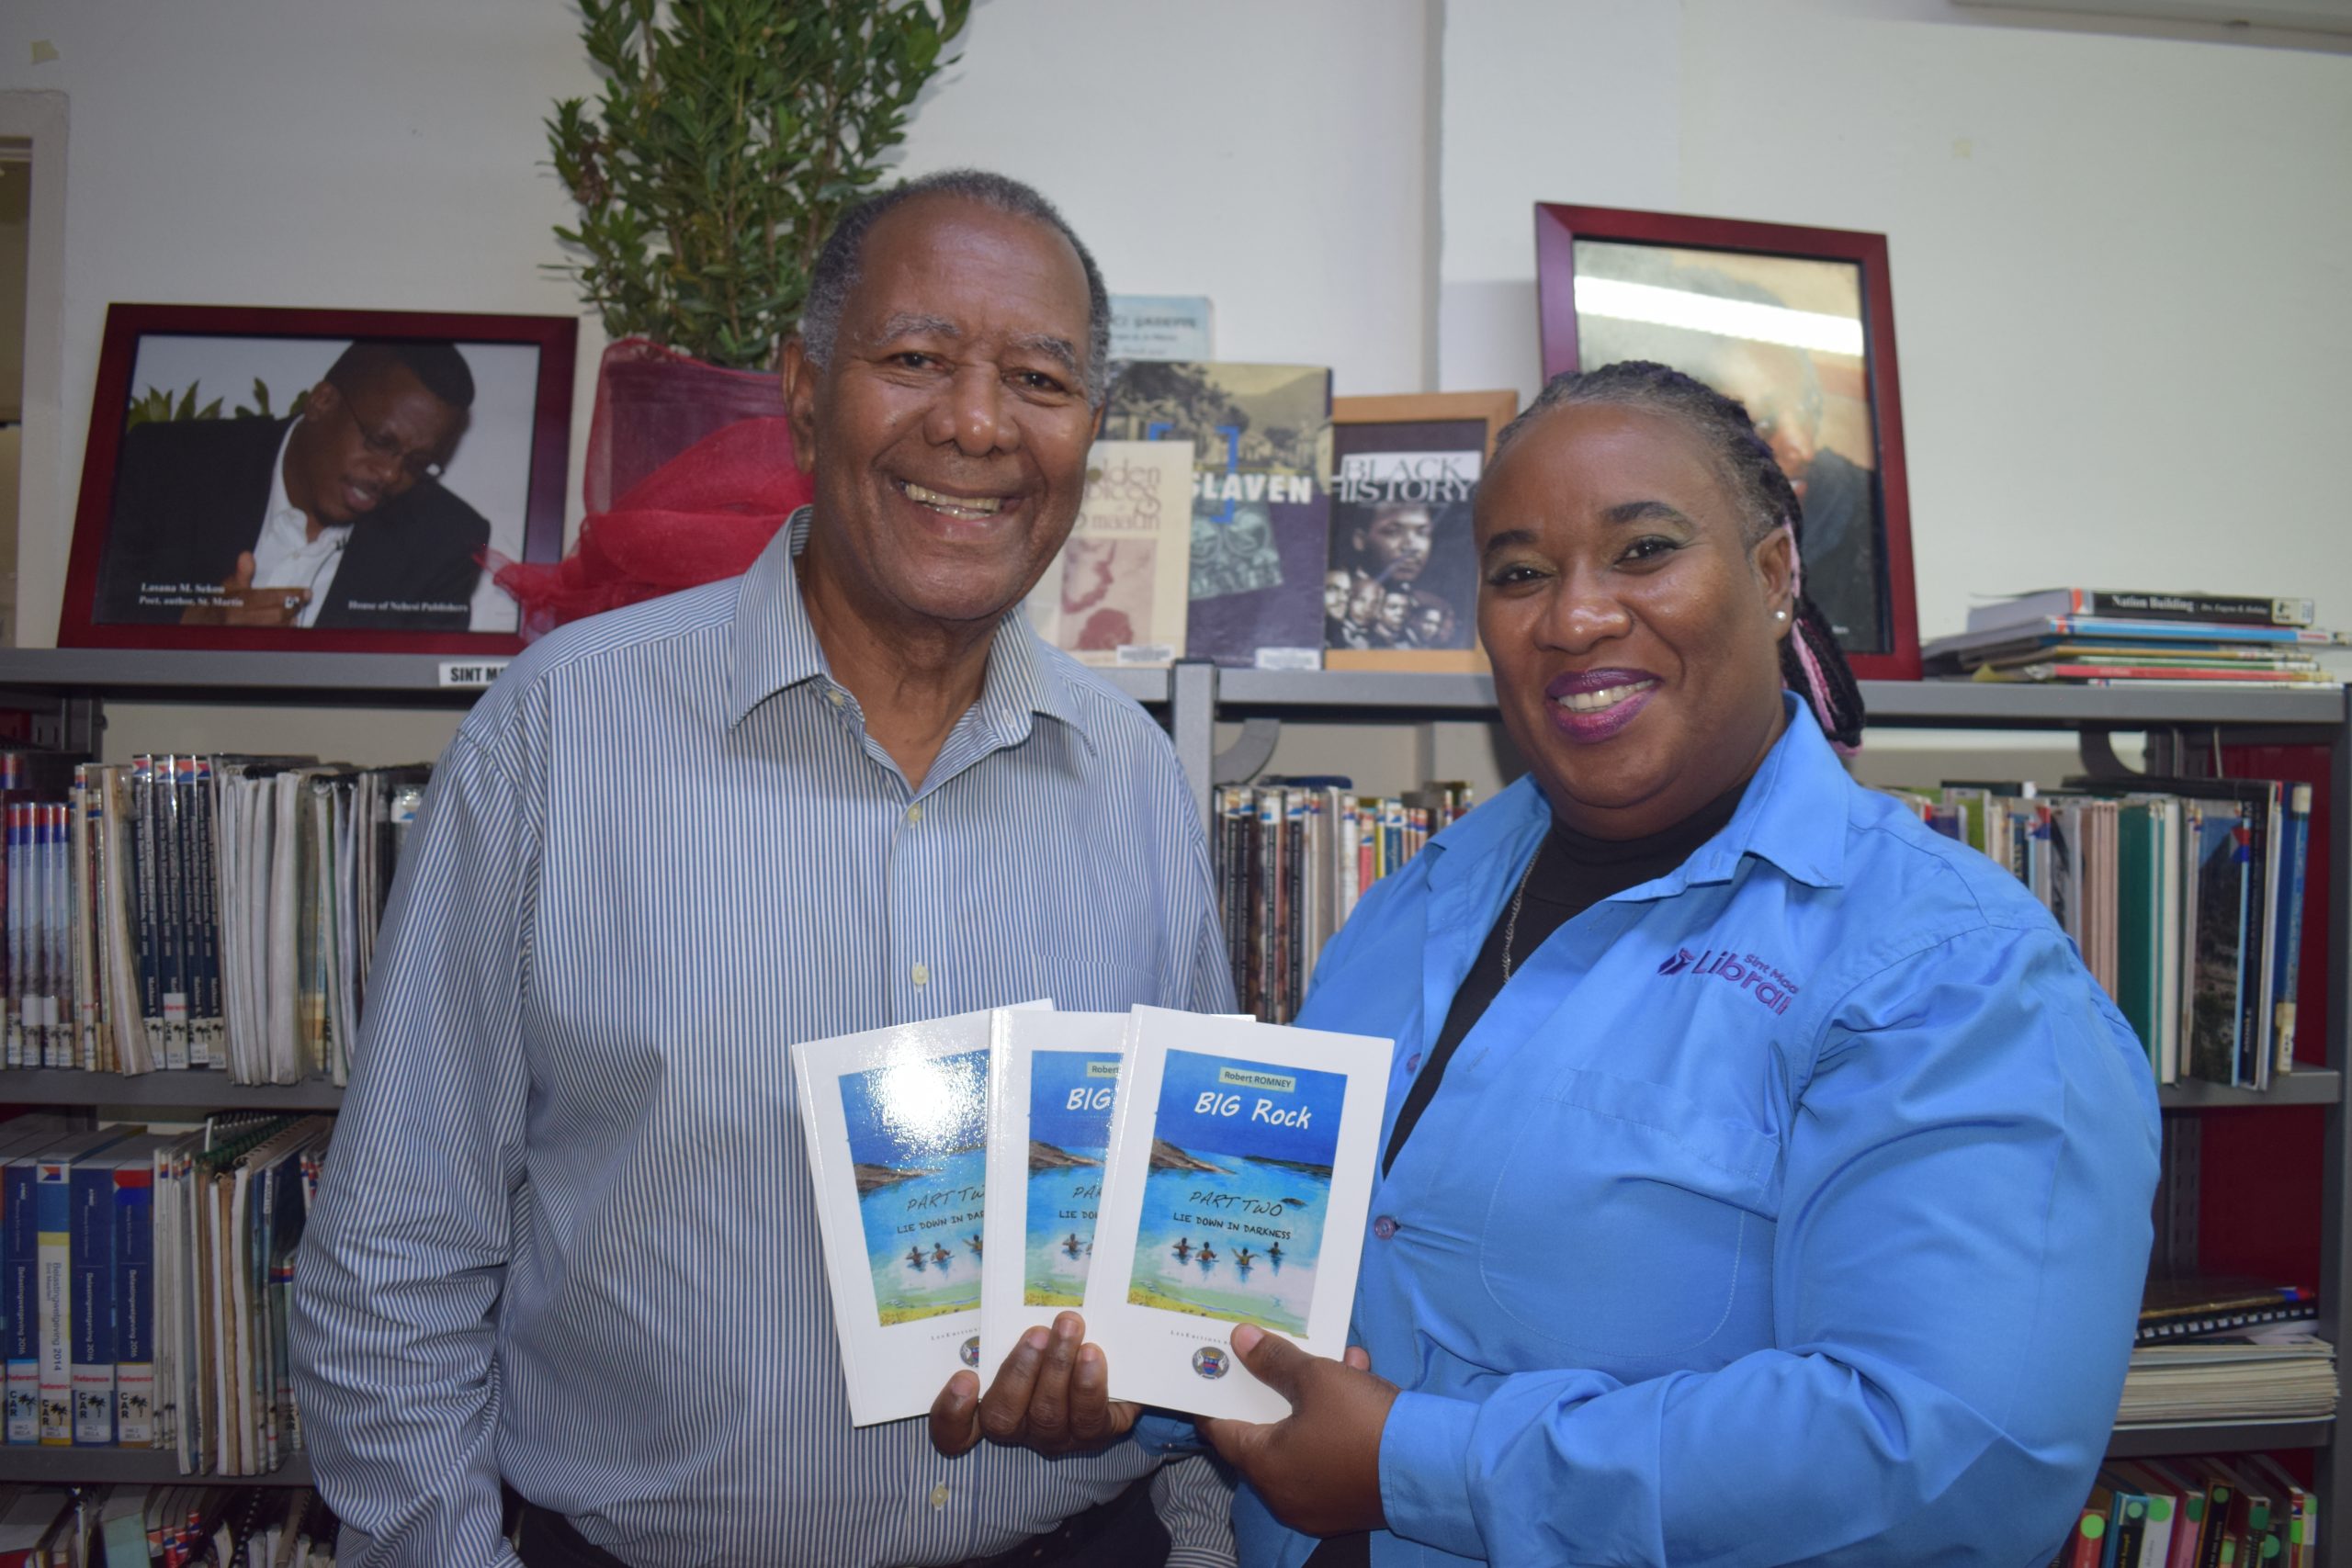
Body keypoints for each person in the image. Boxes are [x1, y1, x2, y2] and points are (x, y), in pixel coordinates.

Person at [946, 362, 2159, 1566]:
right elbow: (1281, 1294)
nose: (1575, 616)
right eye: (1521, 572)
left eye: (1643, 551)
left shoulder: (1951, 972)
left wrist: (1412, 1459)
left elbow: (1949, 1461)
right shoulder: (1415, 899)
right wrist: (1124, 1374)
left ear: (1777, 571)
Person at [291, 170, 1238, 1568]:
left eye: (1037, 376)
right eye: (914, 358)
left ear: (1089, 430)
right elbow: (394, 1248)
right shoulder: (561, 731)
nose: (977, 422)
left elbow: (1184, 1251)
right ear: (802, 389)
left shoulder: (1134, 774)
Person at [94, 340, 492, 631]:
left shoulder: (446, 539)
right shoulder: (169, 463)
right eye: (380, 442)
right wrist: (193, 621)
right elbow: (94, 611)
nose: (389, 475)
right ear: (322, 401)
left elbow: (410, 700)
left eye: (418, 464)